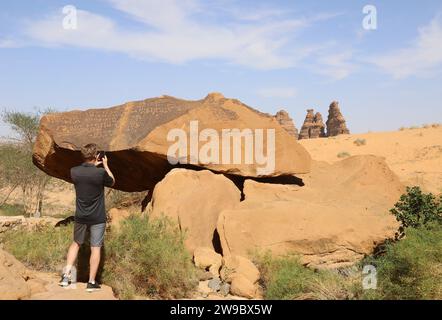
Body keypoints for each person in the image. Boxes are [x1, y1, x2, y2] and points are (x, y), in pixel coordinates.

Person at [59, 143, 115, 292]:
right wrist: (105, 165)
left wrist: (93, 166)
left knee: (76, 243)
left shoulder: (74, 171)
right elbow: (112, 181)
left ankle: (66, 277)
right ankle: (91, 282)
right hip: (97, 217)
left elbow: (85, 174)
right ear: (96, 156)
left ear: (83, 155)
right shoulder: (100, 173)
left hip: (81, 216)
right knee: (95, 248)